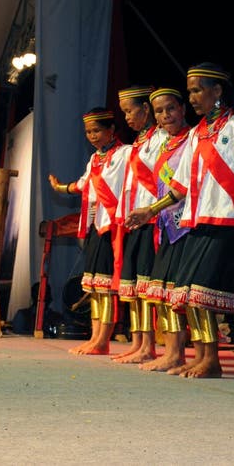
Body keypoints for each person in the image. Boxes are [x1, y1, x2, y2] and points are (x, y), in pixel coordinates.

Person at [126, 63, 234, 378]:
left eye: (196, 89)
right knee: (190, 295)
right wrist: (149, 211)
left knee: (202, 293)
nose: (191, 97)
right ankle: (202, 356)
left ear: (217, 91)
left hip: (225, 218)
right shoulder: (198, 134)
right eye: (189, 90)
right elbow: (179, 186)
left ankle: (212, 360)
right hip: (197, 219)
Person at [49, 108, 131, 356]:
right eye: (88, 132)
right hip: (95, 224)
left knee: (106, 284)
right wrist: (60, 187)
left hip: (113, 224)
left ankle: (103, 340)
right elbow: (84, 184)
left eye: (97, 130)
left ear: (111, 130)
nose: (92, 136)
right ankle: (96, 337)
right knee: (94, 285)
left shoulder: (125, 153)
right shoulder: (95, 159)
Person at [136, 87, 193, 373]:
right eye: (159, 111)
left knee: (178, 292)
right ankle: (171, 352)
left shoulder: (192, 139)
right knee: (162, 291)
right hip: (165, 223)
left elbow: (184, 186)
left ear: (182, 108)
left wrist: (152, 210)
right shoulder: (164, 144)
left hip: (185, 222)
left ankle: (177, 353)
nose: (165, 115)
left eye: (170, 108)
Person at [112, 85, 160, 364]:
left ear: (145, 108)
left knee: (146, 284)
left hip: (152, 217)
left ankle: (149, 344)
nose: (127, 118)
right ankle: (138, 341)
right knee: (134, 286)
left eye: (130, 111)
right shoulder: (139, 142)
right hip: (135, 220)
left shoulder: (161, 138)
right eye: (124, 113)